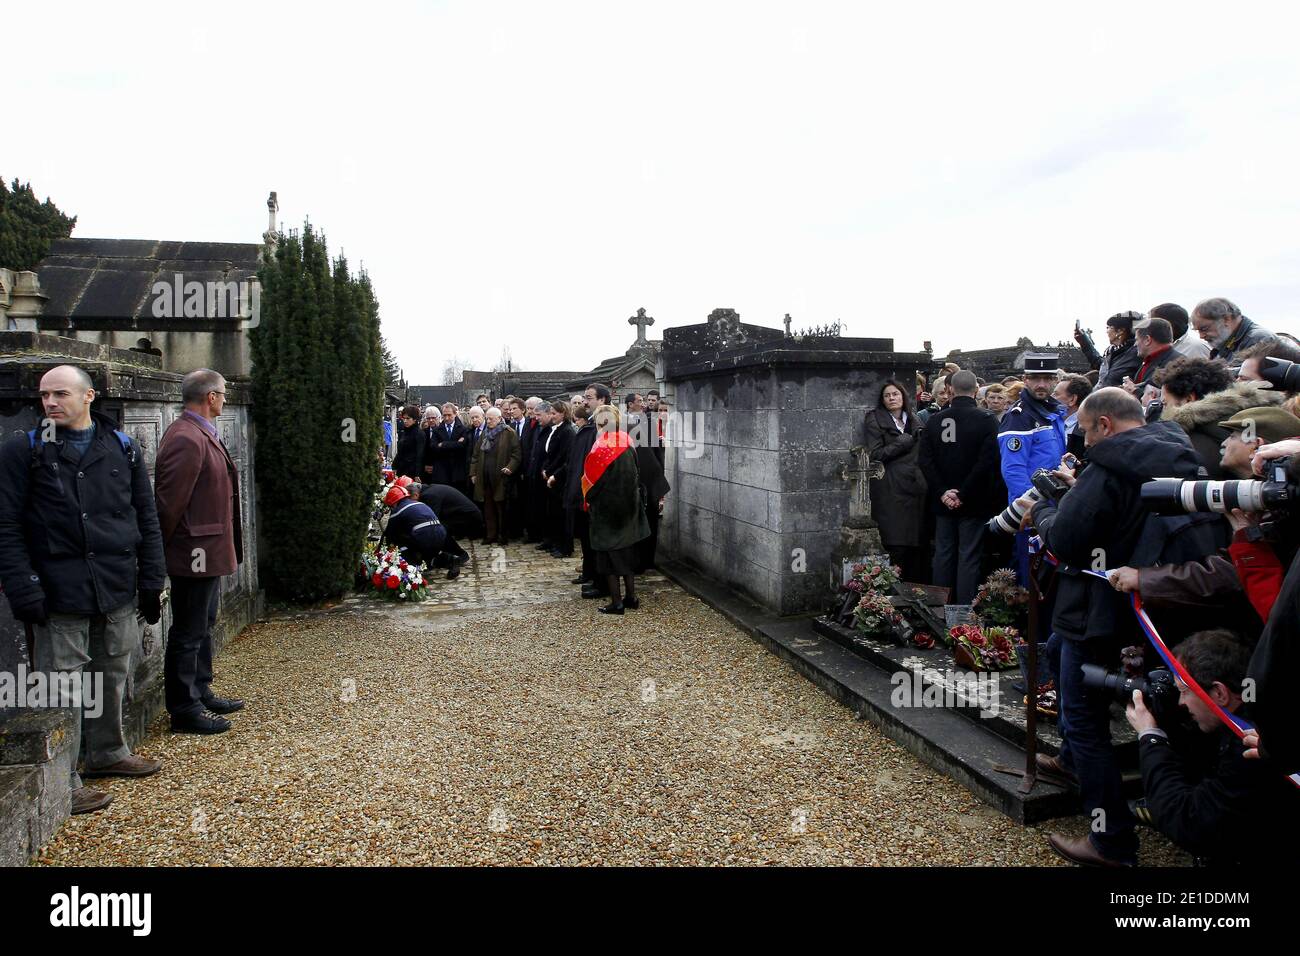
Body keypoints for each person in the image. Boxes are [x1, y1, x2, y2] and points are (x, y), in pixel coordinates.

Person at [1027, 388, 1218, 867]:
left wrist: (1047, 511)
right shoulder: (1181, 452)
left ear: (1105, 425)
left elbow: (1069, 541)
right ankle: (1081, 769)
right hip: (1156, 608)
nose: (1085, 443)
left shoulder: (1109, 466)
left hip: (1094, 613)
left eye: (1087, 432)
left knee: (1084, 717)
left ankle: (1109, 840)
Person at [0, 365, 166, 814]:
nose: (50, 403)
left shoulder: (121, 446)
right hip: (59, 590)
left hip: (115, 585)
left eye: (60, 394)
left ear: (89, 396)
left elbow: (145, 517)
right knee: (62, 688)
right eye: (44, 396)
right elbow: (7, 526)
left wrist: (152, 578)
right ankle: (64, 780)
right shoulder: (24, 451)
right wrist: (24, 587)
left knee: (112, 672)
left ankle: (108, 751)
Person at [1126, 629, 1300, 865]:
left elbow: (1189, 823)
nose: (1180, 702)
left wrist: (1151, 736)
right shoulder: (1270, 706)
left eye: (1185, 691)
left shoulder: (1251, 746)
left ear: (1219, 693)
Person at [154, 368, 245, 735]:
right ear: (210, 398)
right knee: (188, 630)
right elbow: (168, 506)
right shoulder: (185, 438)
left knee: (203, 623)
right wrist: (159, 555)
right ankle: (184, 708)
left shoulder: (200, 432)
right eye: (222, 394)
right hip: (193, 552)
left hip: (207, 550)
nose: (224, 399)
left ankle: (200, 688)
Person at [917, 370, 1001, 603]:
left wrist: (943, 491)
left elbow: (925, 461)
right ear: (976, 390)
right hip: (973, 500)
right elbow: (987, 462)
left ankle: (940, 607)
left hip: (943, 500)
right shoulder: (987, 421)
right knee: (969, 555)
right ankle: (965, 611)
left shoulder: (934, 420)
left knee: (943, 553)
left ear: (950, 390)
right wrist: (963, 493)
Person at [998, 353, 1066, 583]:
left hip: (1053, 507)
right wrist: (1028, 509)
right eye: (1035, 378)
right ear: (1025, 379)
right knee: (1032, 581)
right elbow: (1013, 470)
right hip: (1031, 510)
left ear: (1055, 380)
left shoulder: (1052, 412)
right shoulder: (1019, 417)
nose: (1041, 384)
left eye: (1047, 379)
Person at [1157, 359, 1280, 479]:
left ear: (1189, 399)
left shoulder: (1185, 445)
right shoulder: (1263, 417)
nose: (1162, 411)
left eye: (1165, 403)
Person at [583, 404, 650, 615]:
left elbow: (591, 483)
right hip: (630, 506)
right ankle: (631, 597)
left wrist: (588, 500)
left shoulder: (601, 447)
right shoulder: (627, 441)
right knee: (627, 553)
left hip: (608, 510)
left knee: (609, 557)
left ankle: (616, 602)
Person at [863, 380, 928, 582]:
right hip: (891, 486)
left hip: (915, 486)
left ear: (903, 397)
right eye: (887, 395)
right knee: (896, 542)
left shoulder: (915, 420)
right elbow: (875, 454)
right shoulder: (875, 419)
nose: (892, 398)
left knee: (917, 544)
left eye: (895, 394)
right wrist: (902, 442)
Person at [468, 406, 520, 545]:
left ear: (499, 418)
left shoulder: (509, 433)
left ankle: (503, 535)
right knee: (488, 507)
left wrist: (510, 468)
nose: (488, 421)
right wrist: (473, 473)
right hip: (485, 477)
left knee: (501, 507)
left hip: (501, 477)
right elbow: (476, 455)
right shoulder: (485, 434)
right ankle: (491, 535)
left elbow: (516, 454)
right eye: (487, 418)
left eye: (491, 419)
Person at [540, 400, 576, 557]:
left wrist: (553, 473)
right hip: (550, 475)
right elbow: (548, 453)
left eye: (554, 413)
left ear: (563, 414)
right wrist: (545, 469)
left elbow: (564, 457)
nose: (551, 416)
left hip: (560, 478)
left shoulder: (567, 432)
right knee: (552, 512)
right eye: (551, 413)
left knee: (562, 515)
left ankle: (564, 546)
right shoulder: (554, 430)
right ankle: (554, 542)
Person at [1192, 297, 1275, 365]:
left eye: (1204, 329)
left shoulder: (1260, 339)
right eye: (1198, 331)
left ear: (1226, 319)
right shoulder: (1224, 344)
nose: (1201, 336)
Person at [1125, 317, 1179, 394]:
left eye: (1137, 340)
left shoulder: (1174, 364)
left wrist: (1134, 391)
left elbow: (1160, 397)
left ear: (1147, 340)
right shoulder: (1150, 360)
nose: (1135, 344)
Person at [428, 402, 470, 493]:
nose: (446, 418)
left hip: (457, 472)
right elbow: (433, 447)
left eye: (449, 415)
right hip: (441, 472)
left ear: (455, 414)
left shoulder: (463, 429)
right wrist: (455, 444)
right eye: (444, 415)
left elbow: (462, 446)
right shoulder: (437, 430)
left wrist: (443, 444)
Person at [1094, 312, 1143, 388]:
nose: (1107, 331)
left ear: (1120, 331)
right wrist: (1084, 341)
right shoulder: (1110, 351)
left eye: (1109, 327)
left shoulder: (1136, 353)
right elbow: (1100, 366)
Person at [1052, 374, 1091, 461]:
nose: (1050, 398)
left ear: (1072, 399)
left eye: (1056, 394)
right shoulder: (1047, 424)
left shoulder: (1088, 432)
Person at [391, 404, 426, 480]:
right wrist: (394, 466)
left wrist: (417, 474)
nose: (405, 421)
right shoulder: (405, 432)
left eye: (408, 418)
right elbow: (400, 452)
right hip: (402, 469)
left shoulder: (419, 434)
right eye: (404, 418)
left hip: (412, 471)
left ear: (415, 419)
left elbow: (420, 455)